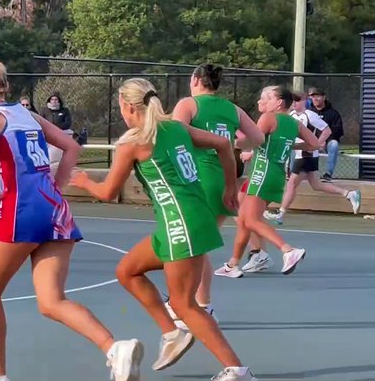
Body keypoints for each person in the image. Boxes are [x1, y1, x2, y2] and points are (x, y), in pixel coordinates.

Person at [0, 59, 143, 381]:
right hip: (55, 210)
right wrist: (57, 184)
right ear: (6, 86)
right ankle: (114, 348)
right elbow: (71, 146)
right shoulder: (27, 114)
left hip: (20, 210)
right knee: (52, 300)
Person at [70, 78, 257, 381]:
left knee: (184, 304)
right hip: (190, 218)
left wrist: (83, 182)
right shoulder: (176, 128)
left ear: (128, 106)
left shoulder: (134, 143)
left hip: (179, 224)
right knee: (127, 271)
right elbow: (224, 144)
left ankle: (237, 370)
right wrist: (230, 188)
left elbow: (107, 192)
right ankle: (172, 334)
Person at [167, 63, 265, 328]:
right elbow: (257, 138)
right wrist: (233, 142)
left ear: (196, 80)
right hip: (225, 178)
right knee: (199, 244)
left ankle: (196, 304)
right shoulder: (232, 109)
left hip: (200, 178)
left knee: (192, 245)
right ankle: (197, 303)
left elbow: (175, 135)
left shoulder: (188, 104)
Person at [214, 86, 319, 279]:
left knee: (250, 220)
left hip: (263, 172)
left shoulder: (269, 118)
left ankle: (288, 250)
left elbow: (253, 140)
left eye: (267, 98)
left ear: (279, 103)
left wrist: (228, 143)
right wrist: (289, 145)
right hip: (275, 175)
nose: (262, 101)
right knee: (244, 218)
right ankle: (233, 264)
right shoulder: (294, 123)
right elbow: (315, 144)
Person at [263, 93, 360, 225]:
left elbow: (327, 130)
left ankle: (280, 213)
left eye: (298, 101)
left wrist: (317, 144)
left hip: (306, 154)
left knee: (291, 184)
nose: (295, 103)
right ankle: (349, 194)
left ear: (304, 101)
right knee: (316, 185)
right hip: (299, 153)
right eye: (293, 101)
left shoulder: (310, 115)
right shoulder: (291, 115)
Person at [307, 87, 344, 182]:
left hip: (327, 142)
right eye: (313, 97)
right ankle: (296, 172)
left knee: (334, 144)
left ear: (324, 97)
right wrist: (314, 142)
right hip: (311, 141)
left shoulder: (333, 113)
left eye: (318, 96)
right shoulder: (308, 113)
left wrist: (324, 140)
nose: (315, 99)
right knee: (295, 143)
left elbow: (338, 131)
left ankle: (328, 174)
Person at [39, 92, 73, 164]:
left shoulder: (65, 110)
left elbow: (68, 123)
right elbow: (41, 122)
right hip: (47, 136)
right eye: (52, 99)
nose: (54, 101)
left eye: (56, 99)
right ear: (49, 101)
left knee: (56, 156)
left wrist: (56, 127)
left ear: (59, 101)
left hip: (60, 136)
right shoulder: (44, 111)